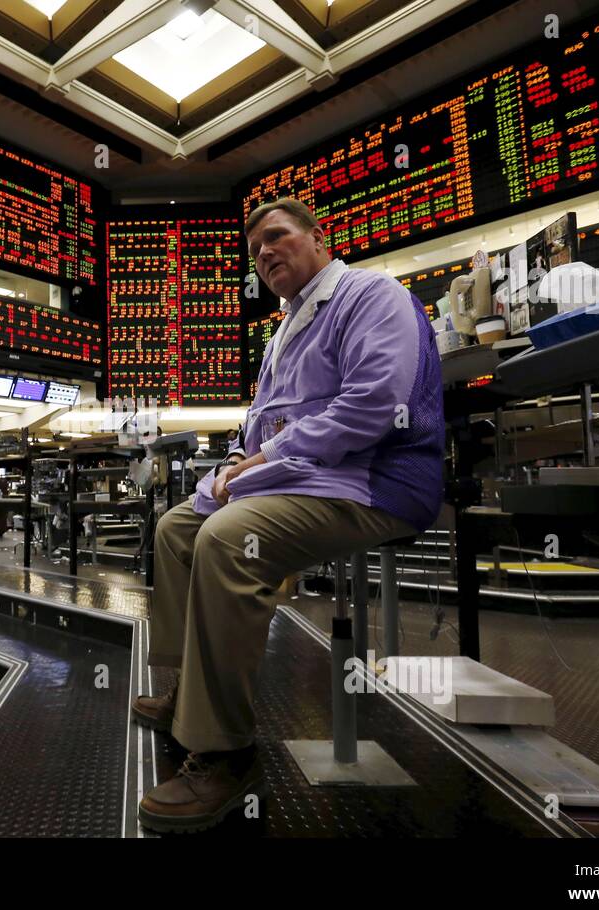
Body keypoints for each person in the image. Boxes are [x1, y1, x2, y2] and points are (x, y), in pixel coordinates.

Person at [133, 197, 445, 833]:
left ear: (319, 237)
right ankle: (189, 692)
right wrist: (239, 461)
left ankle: (226, 753)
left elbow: (373, 406)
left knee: (226, 539)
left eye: (277, 237)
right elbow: (261, 425)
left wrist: (266, 458)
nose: (265, 253)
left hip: (375, 481)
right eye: (256, 250)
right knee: (174, 529)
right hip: (306, 478)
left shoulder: (371, 295)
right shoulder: (284, 331)